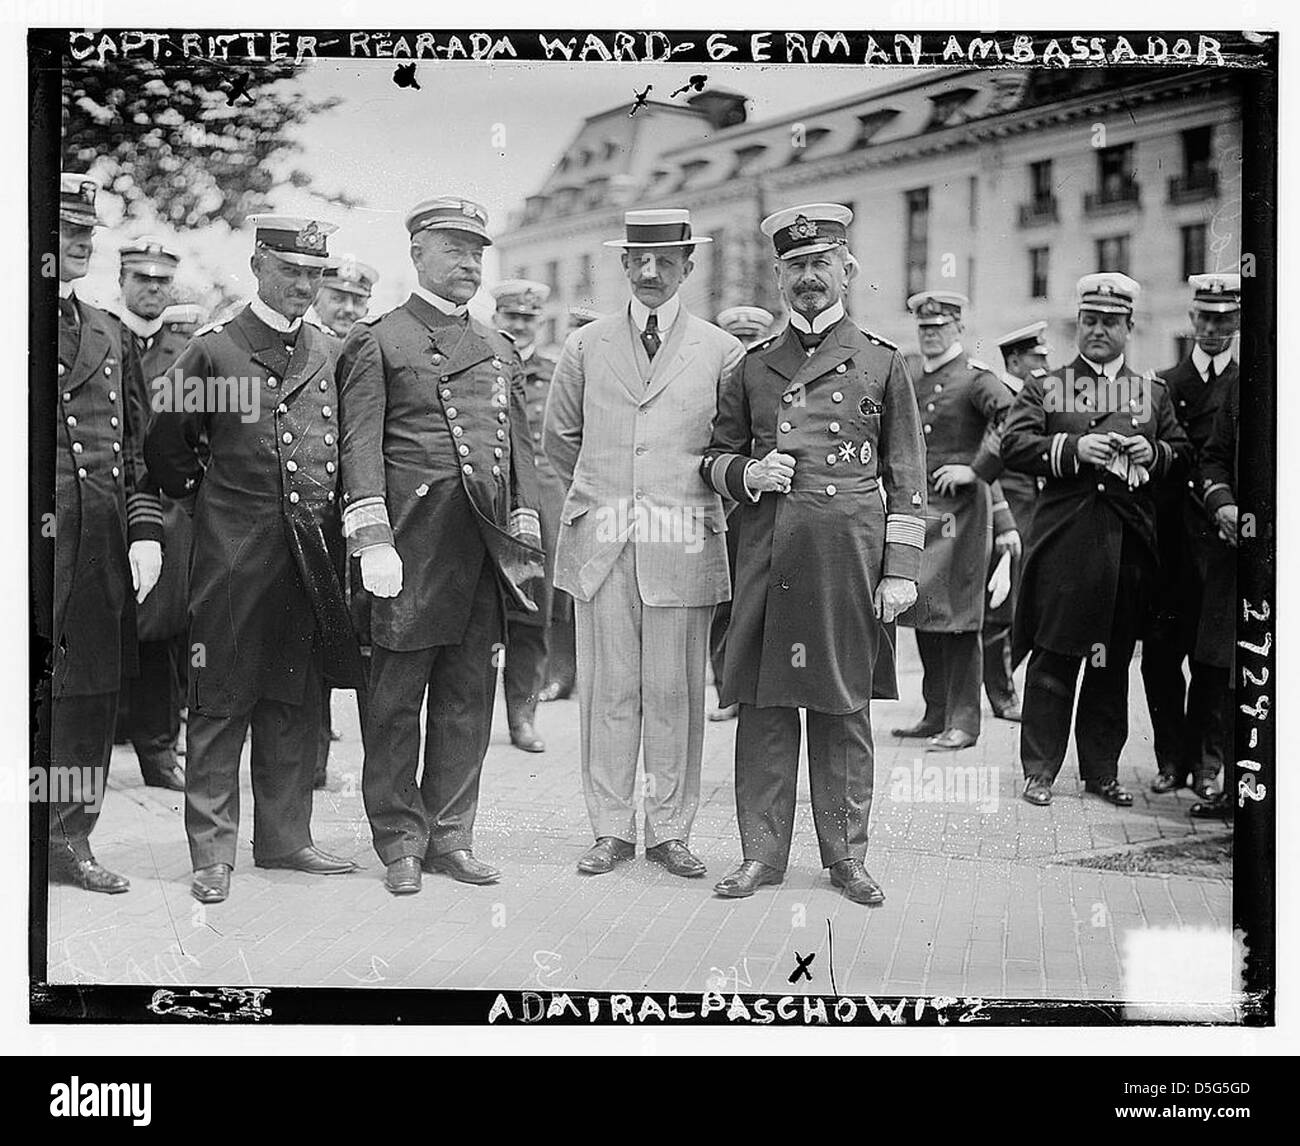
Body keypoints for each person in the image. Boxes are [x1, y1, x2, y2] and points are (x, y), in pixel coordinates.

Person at [701, 203, 927, 905]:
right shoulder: (752, 367)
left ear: (846, 271)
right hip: (769, 557)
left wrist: (901, 573)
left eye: (820, 264)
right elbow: (712, 457)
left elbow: (908, 477)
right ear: (778, 275)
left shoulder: (883, 362)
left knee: (842, 712)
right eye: (795, 266)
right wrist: (747, 474)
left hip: (845, 561)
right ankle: (761, 857)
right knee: (764, 712)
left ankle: (846, 858)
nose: (808, 278)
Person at [145, 215, 366, 904]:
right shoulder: (216, 352)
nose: (304, 285)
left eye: (314, 274)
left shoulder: (330, 351)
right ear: (257, 266)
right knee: (220, 701)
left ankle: (284, 838)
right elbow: (166, 447)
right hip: (233, 558)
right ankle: (212, 853)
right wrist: (215, 505)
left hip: (311, 556)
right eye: (291, 271)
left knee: (295, 700)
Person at [337, 197, 544, 896]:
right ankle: (399, 840)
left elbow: (517, 454)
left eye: (477, 252)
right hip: (408, 550)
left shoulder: (496, 346)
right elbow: (359, 445)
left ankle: (451, 837)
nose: (468, 264)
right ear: (418, 255)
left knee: (466, 700)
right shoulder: (381, 339)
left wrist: (525, 532)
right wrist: (372, 538)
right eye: (454, 250)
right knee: (394, 705)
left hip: (477, 551)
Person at [544, 208, 743, 879]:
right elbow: (558, 438)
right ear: (624, 265)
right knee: (607, 692)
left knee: (675, 695)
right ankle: (608, 830)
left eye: (665, 261)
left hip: (682, 542)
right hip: (603, 542)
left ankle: (669, 831)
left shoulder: (721, 350)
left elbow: (730, 448)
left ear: (689, 265)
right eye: (638, 261)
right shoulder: (585, 346)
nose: (650, 272)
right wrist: (605, 493)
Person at [1001, 273, 1191, 808]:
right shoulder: (1048, 385)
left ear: (1129, 328)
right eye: (1090, 321)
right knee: (1054, 657)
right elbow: (1015, 443)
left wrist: (1151, 454)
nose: (1099, 331)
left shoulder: (1151, 391)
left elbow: (1180, 452)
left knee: (1109, 664)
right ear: (1077, 325)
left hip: (1127, 547)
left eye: (1111, 322)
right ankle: (1039, 770)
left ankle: (1101, 771)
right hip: (1067, 543)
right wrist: (1074, 449)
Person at [41, 173, 163, 894]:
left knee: (85, 699)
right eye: (64, 227)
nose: (80, 241)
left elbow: (139, 452)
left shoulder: (111, 333)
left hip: (95, 548)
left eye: (88, 231)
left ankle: (67, 840)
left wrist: (144, 533)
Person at [893, 291, 1019, 751]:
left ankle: (965, 722)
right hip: (919, 509)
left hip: (964, 514)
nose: (931, 335)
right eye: (924, 328)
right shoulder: (910, 374)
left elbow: (1014, 415)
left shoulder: (975, 379)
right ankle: (936, 712)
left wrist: (977, 468)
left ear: (958, 328)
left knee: (961, 618)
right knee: (924, 609)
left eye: (940, 327)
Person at [1143, 273, 1241, 799]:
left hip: (1218, 550)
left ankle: (1207, 761)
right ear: (1191, 320)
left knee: (1211, 661)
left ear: (1238, 323)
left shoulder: (1250, 386)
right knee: (1160, 657)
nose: (1213, 329)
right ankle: (1169, 759)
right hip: (1166, 544)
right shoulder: (1163, 384)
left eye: (1224, 320)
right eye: (1205, 317)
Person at [113, 236, 192, 792]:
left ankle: (159, 750)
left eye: (162, 281)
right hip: (100, 503)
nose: (152, 289)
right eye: (142, 279)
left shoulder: (190, 350)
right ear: (122, 281)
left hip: (164, 507)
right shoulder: (99, 335)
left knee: (161, 631)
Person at [492, 279, 560, 752]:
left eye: (527, 318)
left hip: (540, 502)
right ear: (496, 317)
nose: (518, 325)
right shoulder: (481, 360)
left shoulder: (556, 374)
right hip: (487, 498)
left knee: (534, 616)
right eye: (510, 316)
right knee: (478, 614)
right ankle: (470, 717)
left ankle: (523, 715)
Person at [707, 305, 777, 723]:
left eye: (753, 340)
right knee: (724, 598)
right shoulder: (717, 382)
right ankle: (724, 689)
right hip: (724, 502)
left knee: (759, 599)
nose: (747, 348)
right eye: (740, 342)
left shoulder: (772, 377)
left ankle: (752, 685)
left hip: (764, 506)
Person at [980, 321, 1051, 723]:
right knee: (1001, 610)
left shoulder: (1032, 398)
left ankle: (997, 680)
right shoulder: (1003, 399)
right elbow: (990, 463)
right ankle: (1002, 694)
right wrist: (1004, 518)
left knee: (1026, 606)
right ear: (1015, 360)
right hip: (1008, 514)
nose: (1044, 366)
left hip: (1035, 515)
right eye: (1036, 359)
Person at [1190, 371, 1240, 819]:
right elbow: (1215, 457)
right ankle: (1235, 792)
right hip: (1239, 551)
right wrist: (1222, 502)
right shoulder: (1244, 385)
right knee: (1230, 672)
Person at [308, 256, 379, 339]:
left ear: (366, 311)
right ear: (316, 303)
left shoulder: (372, 349)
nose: (349, 309)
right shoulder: (301, 343)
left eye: (358, 302)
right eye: (338, 299)